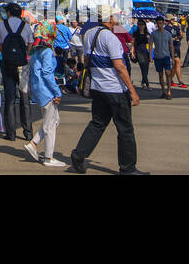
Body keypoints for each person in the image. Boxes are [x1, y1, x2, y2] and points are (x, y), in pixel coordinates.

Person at [67, 9, 145, 175]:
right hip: (115, 89)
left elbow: (86, 60)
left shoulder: (89, 34)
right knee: (125, 129)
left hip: (98, 88)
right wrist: (132, 90)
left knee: (97, 124)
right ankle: (128, 168)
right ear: (109, 18)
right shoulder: (110, 37)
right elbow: (119, 66)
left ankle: (78, 155)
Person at [25, 20, 65, 167]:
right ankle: (48, 157)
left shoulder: (35, 52)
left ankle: (33, 143)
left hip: (38, 89)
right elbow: (47, 73)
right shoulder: (47, 51)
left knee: (54, 121)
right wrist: (57, 92)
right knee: (51, 125)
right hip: (47, 91)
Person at [0, 2, 32, 140]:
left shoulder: (1, 25)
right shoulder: (26, 26)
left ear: (9, 13)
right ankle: (28, 133)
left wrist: (9, 53)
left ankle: (11, 133)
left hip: (7, 65)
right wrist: (22, 54)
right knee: (24, 98)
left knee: (9, 99)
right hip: (22, 65)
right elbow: (30, 44)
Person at [150, 19, 173, 99]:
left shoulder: (168, 34)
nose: (159, 25)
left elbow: (171, 46)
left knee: (168, 73)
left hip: (166, 56)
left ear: (163, 23)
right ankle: (163, 91)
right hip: (157, 56)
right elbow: (150, 45)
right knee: (160, 74)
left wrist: (173, 57)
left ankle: (169, 91)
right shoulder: (154, 34)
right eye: (158, 23)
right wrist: (150, 56)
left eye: (161, 23)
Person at [131, 19, 151, 89]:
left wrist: (150, 55)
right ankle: (147, 84)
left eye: (142, 24)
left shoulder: (147, 34)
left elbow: (150, 45)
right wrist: (132, 52)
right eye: (139, 24)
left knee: (146, 69)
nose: (141, 26)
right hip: (138, 52)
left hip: (146, 52)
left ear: (144, 25)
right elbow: (133, 43)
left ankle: (143, 82)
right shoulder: (135, 33)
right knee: (143, 68)